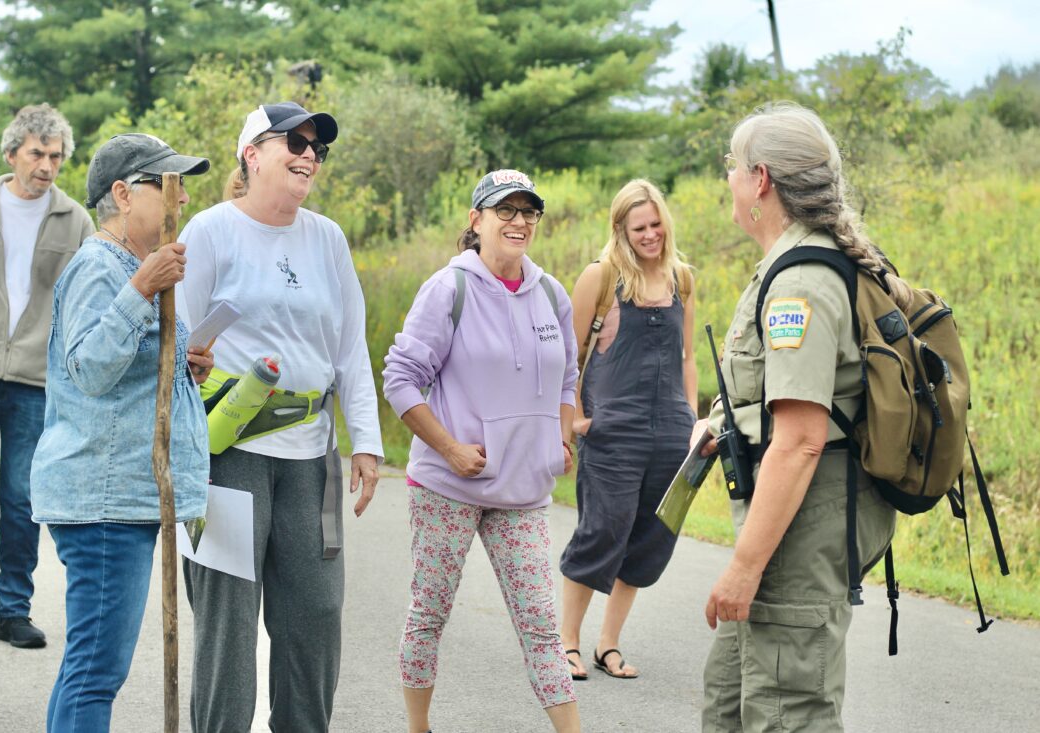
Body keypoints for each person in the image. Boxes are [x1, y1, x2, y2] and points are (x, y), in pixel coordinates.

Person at [179, 101, 383, 733]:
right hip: (228, 454)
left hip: (311, 458)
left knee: (315, 616)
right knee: (229, 624)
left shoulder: (327, 237)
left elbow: (350, 347)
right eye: (292, 142)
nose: (308, 155)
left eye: (316, 148)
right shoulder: (210, 231)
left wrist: (367, 444)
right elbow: (180, 343)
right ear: (252, 154)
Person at [700, 102, 898, 731]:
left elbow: (801, 441)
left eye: (732, 166)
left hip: (798, 532)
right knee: (729, 703)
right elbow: (786, 400)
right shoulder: (793, 264)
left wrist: (744, 568)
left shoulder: (801, 284)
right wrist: (724, 421)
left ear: (761, 180)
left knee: (788, 713)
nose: (727, 179)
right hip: (787, 527)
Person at [383, 170, 582, 733]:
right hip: (449, 485)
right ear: (477, 221)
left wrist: (561, 435)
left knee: (543, 625)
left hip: (522, 490)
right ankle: (418, 728)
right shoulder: (450, 288)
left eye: (529, 212)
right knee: (429, 615)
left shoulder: (551, 293)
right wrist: (447, 449)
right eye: (505, 210)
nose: (519, 221)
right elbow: (400, 380)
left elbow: (568, 375)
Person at [29, 133, 212, 732]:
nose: (180, 199)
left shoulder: (133, 266)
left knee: (91, 669)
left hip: (126, 494)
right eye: (169, 184)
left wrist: (182, 364)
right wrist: (141, 291)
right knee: (96, 671)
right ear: (123, 194)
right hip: (104, 498)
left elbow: (129, 371)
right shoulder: (99, 266)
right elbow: (90, 369)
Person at [0, 104, 94, 649]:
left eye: (55, 156)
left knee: (23, 499)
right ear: (12, 154)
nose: (47, 165)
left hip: (36, 381)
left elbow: (83, 301)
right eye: (37, 154)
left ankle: (14, 611)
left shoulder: (76, 219)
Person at [558, 179, 698, 680]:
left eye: (656, 224)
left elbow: (688, 357)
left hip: (671, 435)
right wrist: (572, 420)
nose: (650, 234)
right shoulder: (601, 277)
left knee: (647, 539)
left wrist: (692, 418)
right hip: (613, 431)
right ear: (621, 229)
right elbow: (567, 358)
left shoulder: (682, 278)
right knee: (603, 531)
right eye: (639, 227)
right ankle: (567, 643)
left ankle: (607, 645)